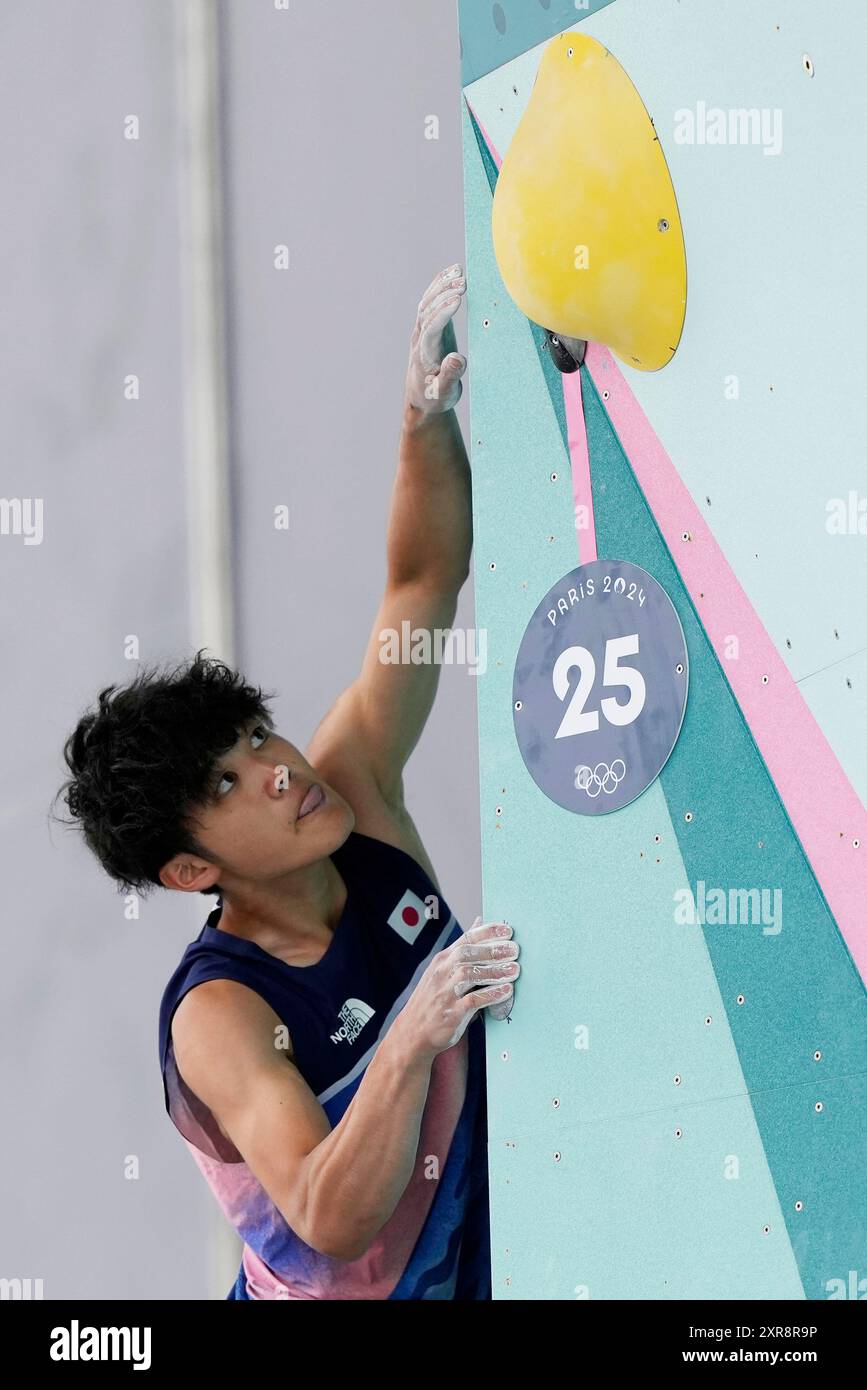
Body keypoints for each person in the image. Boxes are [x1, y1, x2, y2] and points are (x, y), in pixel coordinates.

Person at [55, 264, 521, 1299]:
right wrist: (412, 1033)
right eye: (228, 782)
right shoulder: (218, 1015)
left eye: (259, 736)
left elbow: (419, 583)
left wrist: (421, 420)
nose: (279, 771)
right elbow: (326, 1210)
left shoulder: (354, 782)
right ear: (188, 868)